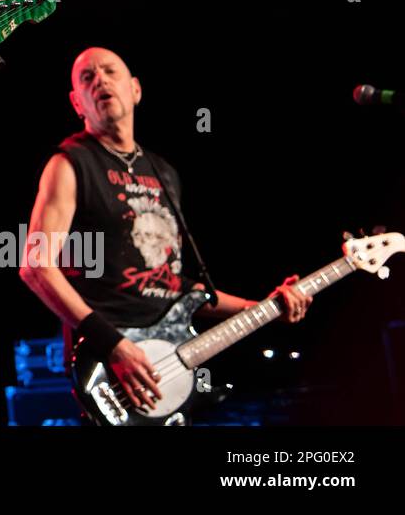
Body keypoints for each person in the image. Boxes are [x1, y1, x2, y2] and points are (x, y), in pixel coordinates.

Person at [18, 46, 311, 415]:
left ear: (136, 89)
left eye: (109, 71)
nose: (100, 81)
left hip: (168, 360)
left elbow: (172, 285)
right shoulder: (69, 164)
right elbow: (35, 265)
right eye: (87, 78)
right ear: (77, 103)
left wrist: (265, 307)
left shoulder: (164, 173)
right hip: (107, 363)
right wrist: (114, 345)